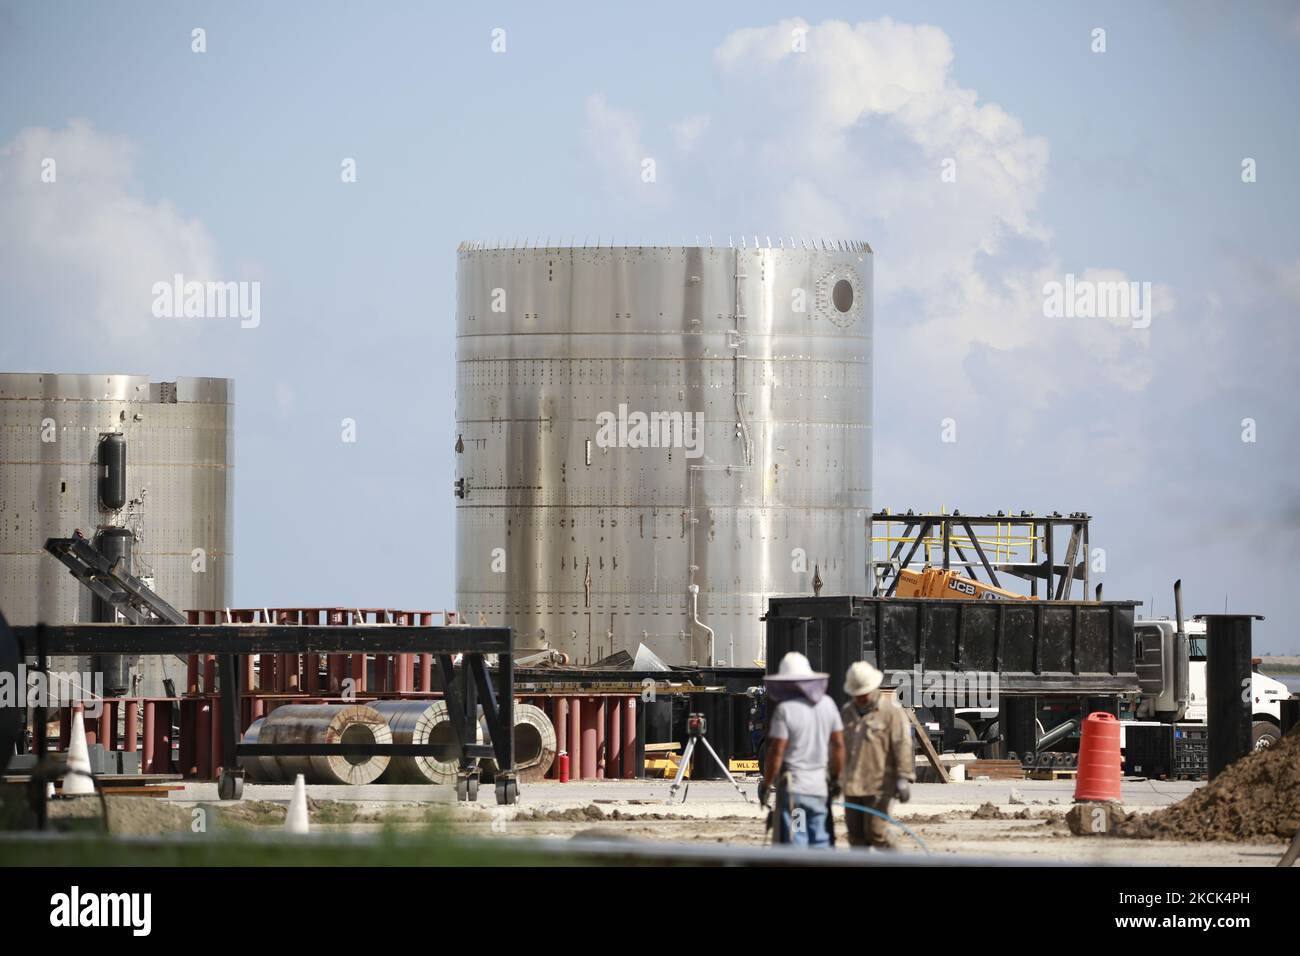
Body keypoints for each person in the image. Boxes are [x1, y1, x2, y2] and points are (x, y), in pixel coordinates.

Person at [760, 651, 844, 847]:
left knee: (797, 839)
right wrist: (837, 778)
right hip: (819, 789)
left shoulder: (785, 710)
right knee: (820, 840)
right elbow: (839, 745)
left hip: (795, 792)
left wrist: (767, 783)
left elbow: (777, 750)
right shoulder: (828, 705)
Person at [839, 660, 915, 849]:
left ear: (873, 689)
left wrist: (904, 777)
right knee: (856, 838)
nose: (860, 699)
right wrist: (832, 777)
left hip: (879, 785)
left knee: (877, 834)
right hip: (852, 785)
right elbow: (839, 747)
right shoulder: (847, 713)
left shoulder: (891, 713)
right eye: (856, 695)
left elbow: (903, 745)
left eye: (863, 695)